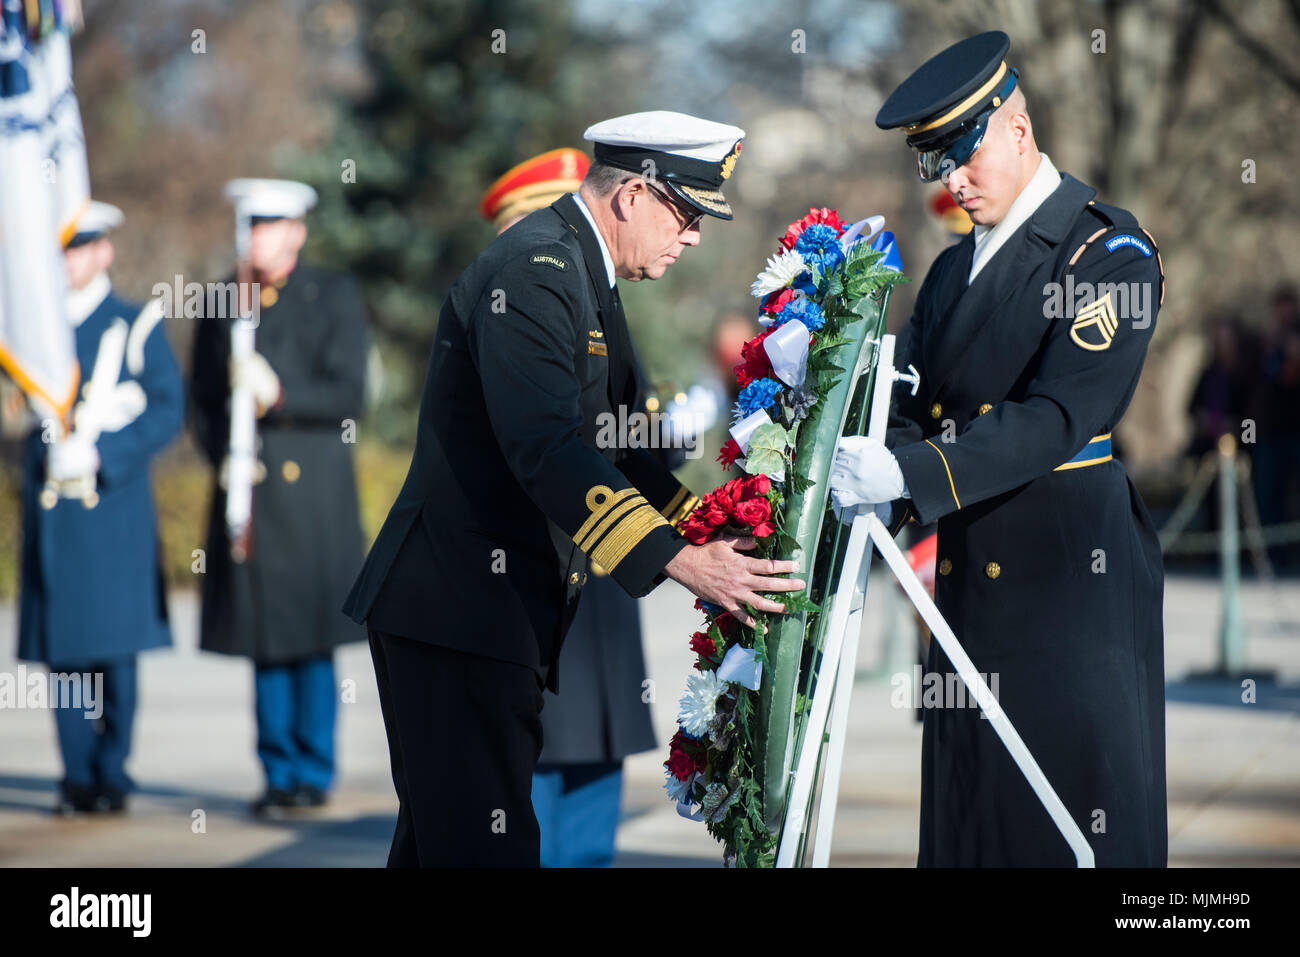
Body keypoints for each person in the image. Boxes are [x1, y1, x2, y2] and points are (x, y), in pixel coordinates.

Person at [343, 110, 805, 867]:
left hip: (483, 615)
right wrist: (681, 561)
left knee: (442, 848)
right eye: (686, 214)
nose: (692, 237)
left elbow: (620, 442)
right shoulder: (536, 271)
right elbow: (546, 444)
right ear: (632, 196)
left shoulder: (586, 276)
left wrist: (704, 524)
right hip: (455, 613)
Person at [830, 32, 1168, 866]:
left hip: (1065, 587)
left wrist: (909, 473)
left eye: (964, 154)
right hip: (970, 590)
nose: (952, 180)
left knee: (1064, 816)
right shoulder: (952, 271)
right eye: (935, 164)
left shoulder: (1107, 251)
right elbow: (910, 399)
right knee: (974, 817)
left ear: (1018, 131)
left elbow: (1057, 415)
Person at [481, 145, 664, 867]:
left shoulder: (598, 304)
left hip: (602, 568)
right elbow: (540, 443)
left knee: (596, 747)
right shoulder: (516, 296)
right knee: (533, 771)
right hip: (536, 563)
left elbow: (628, 425)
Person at [190, 179, 369, 816]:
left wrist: (280, 392)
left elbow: (350, 395)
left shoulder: (333, 293)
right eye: (251, 225)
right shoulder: (223, 299)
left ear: (296, 231)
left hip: (313, 496)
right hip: (253, 494)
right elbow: (203, 401)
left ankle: (313, 769)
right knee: (264, 637)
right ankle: (277, 771)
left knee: (310, 639)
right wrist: (231, 460)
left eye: (270, 225)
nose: (257, 236)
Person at [17, 201, 184, 814]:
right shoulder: (28, 334)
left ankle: (113, 770)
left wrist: (102, 452)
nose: (67, 261)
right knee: (66, 657)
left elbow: (168, 409)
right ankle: (77, 774)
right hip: (55, 512)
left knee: (115, 651)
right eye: (60, 249)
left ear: (103, 251)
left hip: (111, 511)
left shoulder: (133, 323)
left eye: (78, 248)